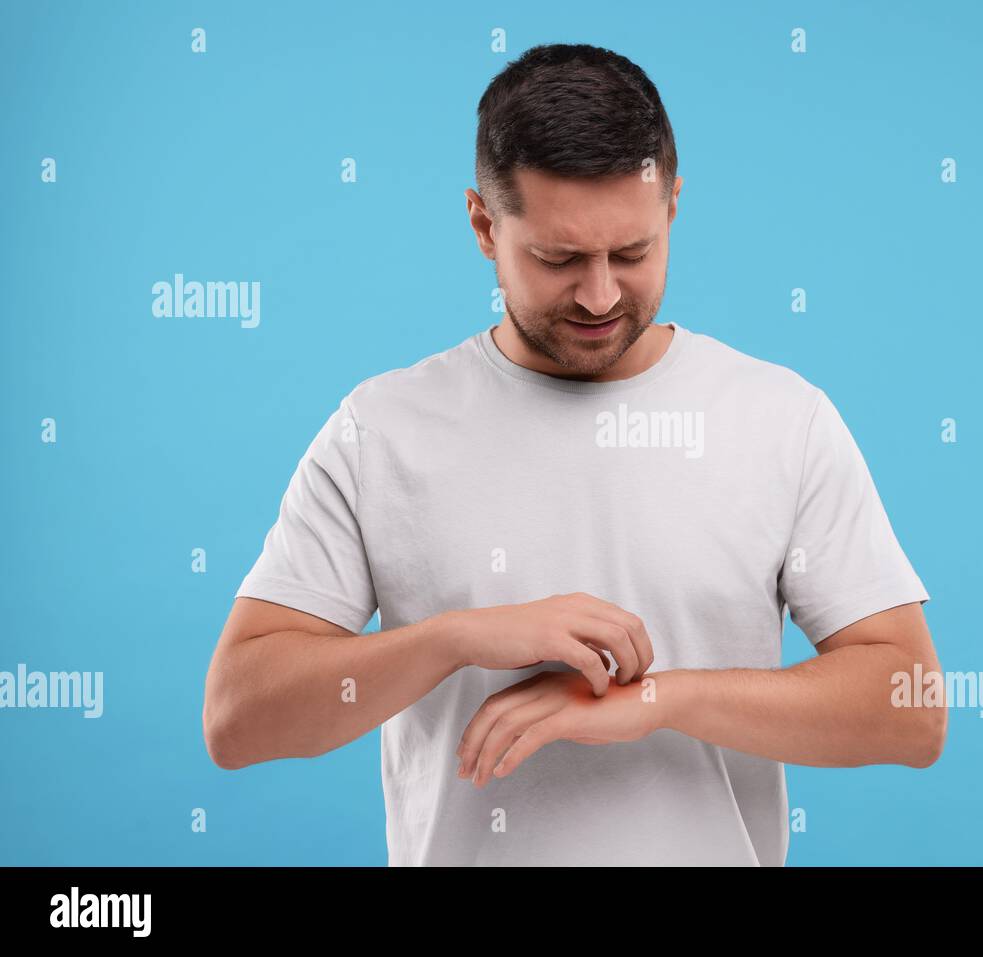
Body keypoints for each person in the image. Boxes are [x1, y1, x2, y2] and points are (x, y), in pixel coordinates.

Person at [202, 42, 945, 866]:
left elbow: (910, 710)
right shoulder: (380, 430)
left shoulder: (782, 419)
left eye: (632, 253)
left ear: (673, 206)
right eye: (558, 259)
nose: (599, 295)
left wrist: (659, 700)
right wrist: (457, 638)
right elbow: (237, 717)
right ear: (484, 226)